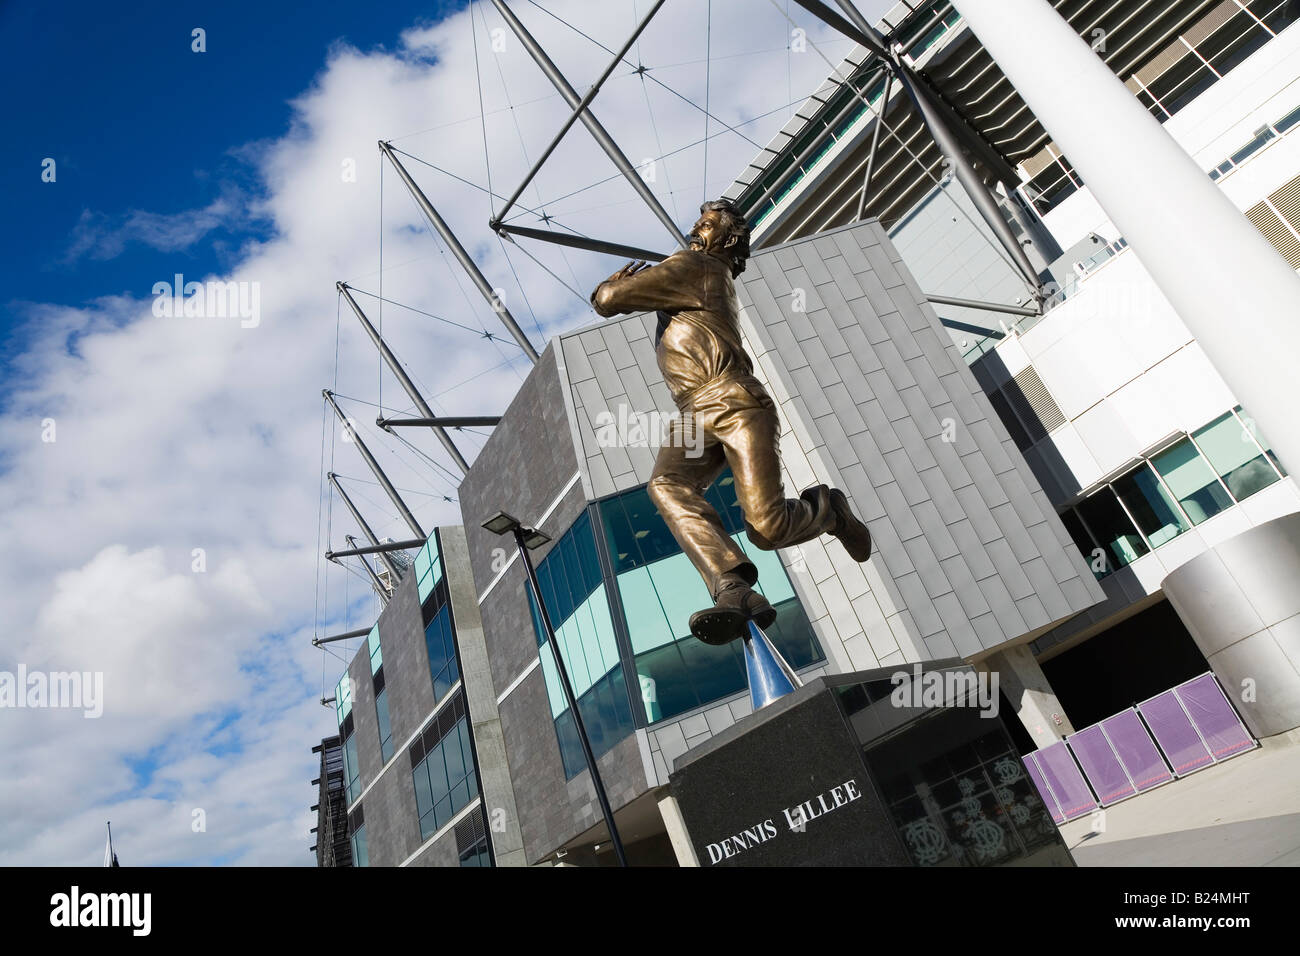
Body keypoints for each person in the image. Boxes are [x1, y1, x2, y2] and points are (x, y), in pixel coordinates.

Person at [590, 199, 872, 644]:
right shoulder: (696, 270)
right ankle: (731, 585)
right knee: (667, 485)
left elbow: (609, 300)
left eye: (705, 226)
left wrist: (611, 284)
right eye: (697, 225)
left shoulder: (698, 266)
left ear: (726, 240)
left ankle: (829, 511)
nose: (694, 233)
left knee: (768, 528)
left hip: (731, 396)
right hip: (692, 409)